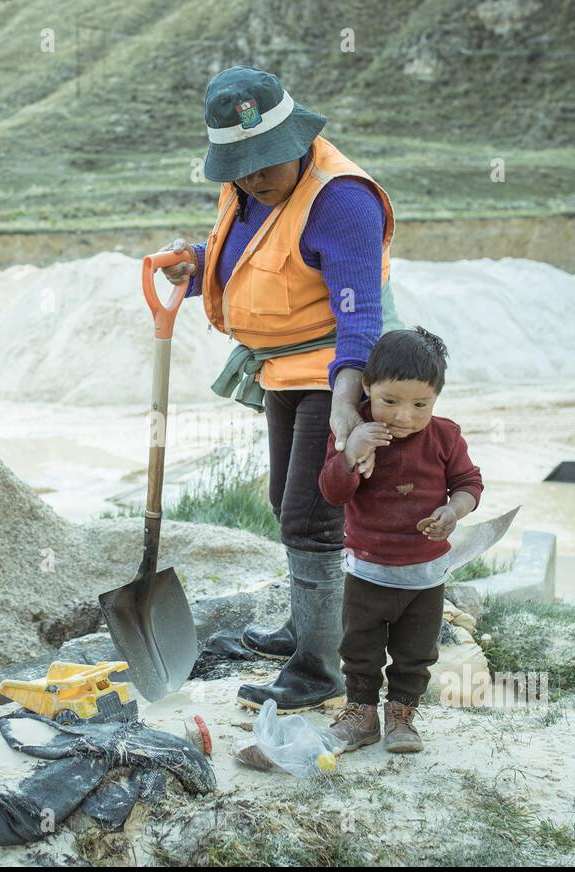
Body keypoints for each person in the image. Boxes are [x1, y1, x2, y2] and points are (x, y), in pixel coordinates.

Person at [158, 64, 403, 712]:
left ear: (296, 139)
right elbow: (258, 259)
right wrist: (199, 264)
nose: (251, 178)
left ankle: (319, 669)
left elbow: (360, 315)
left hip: (337, 367)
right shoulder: (249, 192)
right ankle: (307, 624)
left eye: (263, 164)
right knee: (284, 498)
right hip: (282, 368)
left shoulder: (341, 200)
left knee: (312, 515)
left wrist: (351, 404)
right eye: (238, 166)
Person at [317, 327, 484, 752]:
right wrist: (350, 453)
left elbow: (468, 483)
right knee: (360, 649)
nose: (404, 416)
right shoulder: (355, 435)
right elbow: (333, 493)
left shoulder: (445, 437)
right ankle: (360, 714)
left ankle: (402, 716)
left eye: (420, 405)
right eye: (389, 401)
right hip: (368, 571)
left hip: (424, 576)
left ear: (436, 399)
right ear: (367, 388)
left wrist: (454, 511)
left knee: (415, 654)